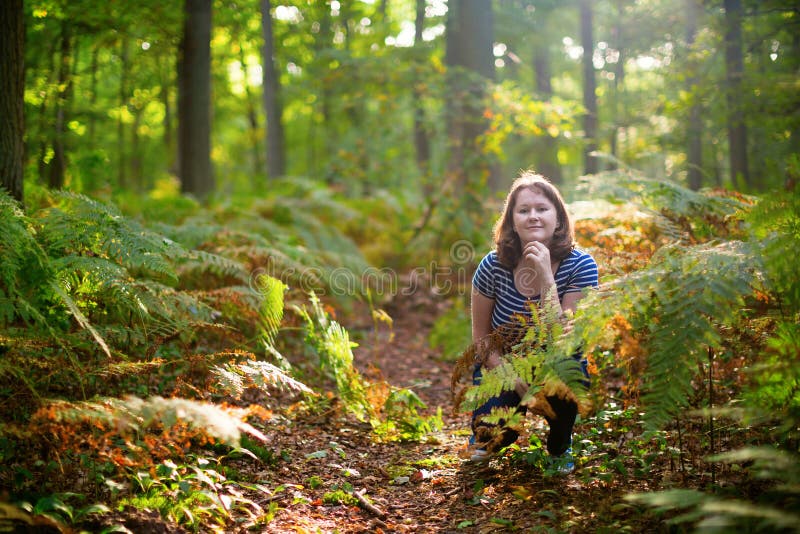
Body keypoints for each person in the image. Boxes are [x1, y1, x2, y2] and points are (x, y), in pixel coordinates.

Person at [465, 171, 598, 467]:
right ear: (512, 221)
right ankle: (484, 437)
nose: (533, 216)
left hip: (557, 363)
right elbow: (481, 338)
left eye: (542, 209)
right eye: (523, 210)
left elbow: (565, 339)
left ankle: (561, 444)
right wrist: (510, 378)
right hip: (502, 365)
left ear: (559, 218)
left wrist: (546, 279)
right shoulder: (493, 265)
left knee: (567, 388)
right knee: (501, 433)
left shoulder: (582, 265)